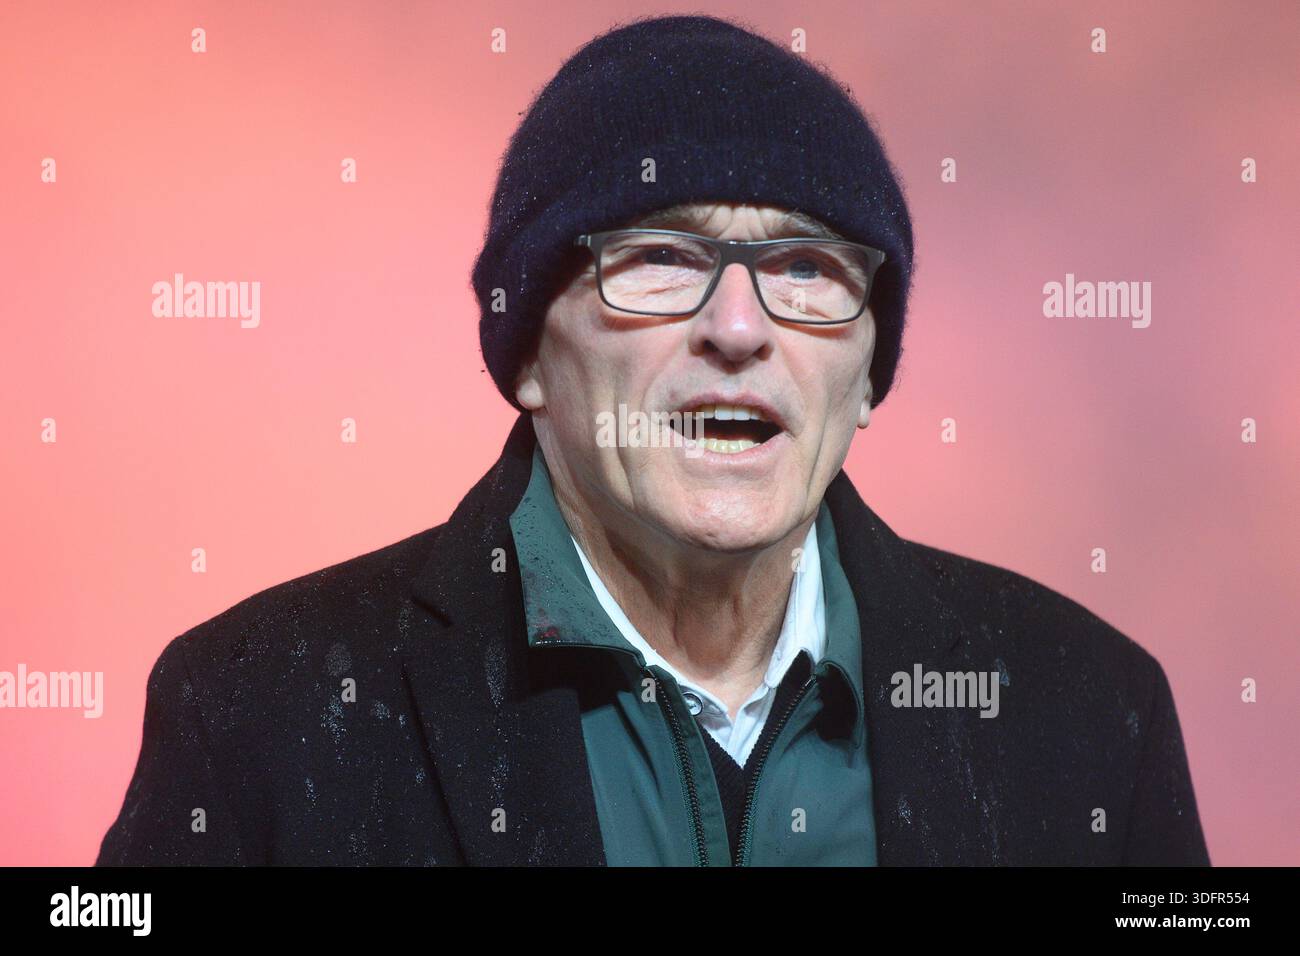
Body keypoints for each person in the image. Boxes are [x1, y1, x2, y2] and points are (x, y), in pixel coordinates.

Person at [96, 14, 1209, 866]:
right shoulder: (258, 710)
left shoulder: (1089, 707)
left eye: (807, 269)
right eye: (658, 259)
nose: (738, 328)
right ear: (527, 353)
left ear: (867, 372)